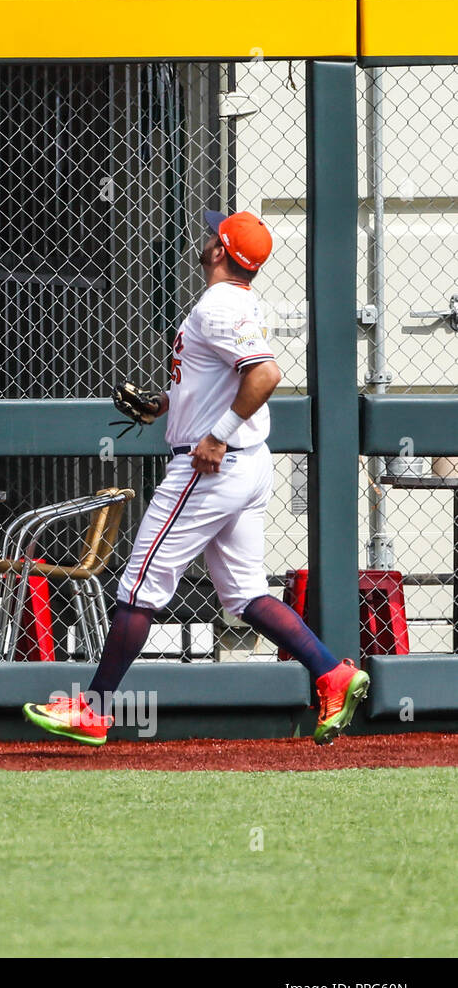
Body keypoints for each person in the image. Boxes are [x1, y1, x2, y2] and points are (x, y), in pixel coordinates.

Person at [22, 210, 370, 748]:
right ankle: (332, 673)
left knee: (139, 586)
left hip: (212, 467)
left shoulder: (218, 305)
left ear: (220, 252)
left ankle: (92, 711)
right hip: (246, 466)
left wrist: (217, 435)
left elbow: (265, 374)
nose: (206, 238)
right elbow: (224, 377)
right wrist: (166, 405)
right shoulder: (238, 302)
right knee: (247, 594)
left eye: (214, 234)